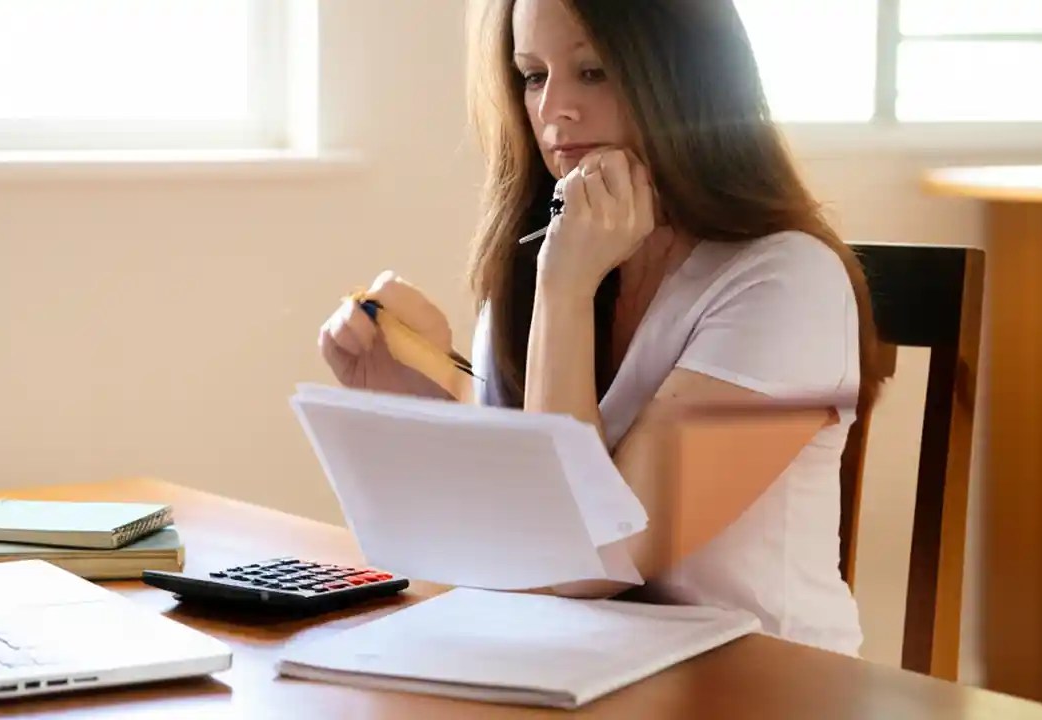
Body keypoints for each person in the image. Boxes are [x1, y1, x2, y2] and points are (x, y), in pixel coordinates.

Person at [318, 0, 887, 658]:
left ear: (684, 79)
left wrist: (565, 290)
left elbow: (582, 561)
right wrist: (428, 390)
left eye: (593, 72)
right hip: (584, 676)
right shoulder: (547, 260)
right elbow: (516, 546)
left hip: (757, 690)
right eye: (533, 75)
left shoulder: (789, 284)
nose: (554, 108)